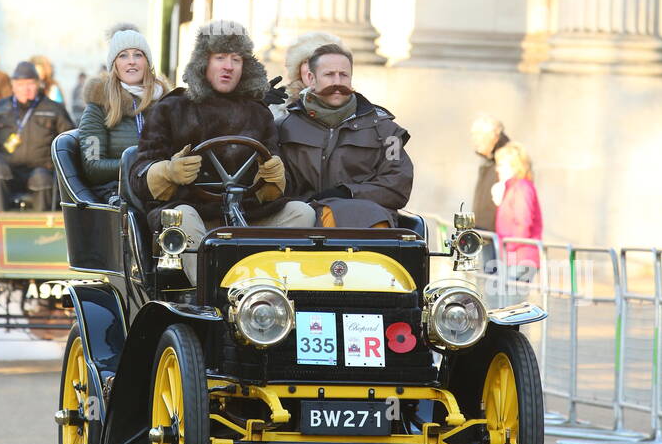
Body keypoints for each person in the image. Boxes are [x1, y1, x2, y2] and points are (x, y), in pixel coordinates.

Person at [130, 19, 315, 283]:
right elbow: (139, 173)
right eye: (220, 57)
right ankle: (210, 294)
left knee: (302, 213)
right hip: (189, 214)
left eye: (236, 59)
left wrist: (273, 178)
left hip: (247, 215)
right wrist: (169, 172)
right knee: (183, 216)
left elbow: (273, 180)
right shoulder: (172, 108)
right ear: (204, 62)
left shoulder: (258, 113)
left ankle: (270, 289)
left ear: (245, 67)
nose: (228, 66)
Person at [279, 43, 413, 227]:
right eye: (329, 75)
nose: (337, 82)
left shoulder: (387, 131)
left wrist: (347, 193)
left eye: (343, 75)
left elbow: (398, 184)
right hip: (301, 230)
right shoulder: (283, 129)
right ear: (311, 78)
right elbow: (273, 187)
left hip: (369, 228)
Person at [0, 61, 73, 212]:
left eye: (30, 84)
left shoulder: (54, 109)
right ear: (13, 85)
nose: (26, 89)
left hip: (41, 169)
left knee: (41, 179)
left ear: (38, 84)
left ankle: (43, 233)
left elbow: (69, 139)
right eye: (21, 84)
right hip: (7, 170)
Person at [79, 27, 168, 199]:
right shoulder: (98, 105)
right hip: (116, 191)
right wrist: (142, 166)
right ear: (115, 65)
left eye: (138, 55)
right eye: (123, 55)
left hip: (162, 187)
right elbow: (92, 166)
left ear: (147, 63)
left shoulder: (167, 103)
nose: (131, 61)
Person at [492, 141, 543, 280]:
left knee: (511, 301)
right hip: (512, 258)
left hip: (520, 258)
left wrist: (507, 248)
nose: (497, 169)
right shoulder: (512, 188)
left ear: (515, 165)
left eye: (501, 165)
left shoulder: (522, 187)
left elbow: (523, 224)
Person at [470, 115, 510, 234]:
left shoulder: (507, 158)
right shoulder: (488, 158)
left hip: (495, 233)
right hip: (482, 231)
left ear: (492, 136)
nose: (474, 140)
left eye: (478, 135)